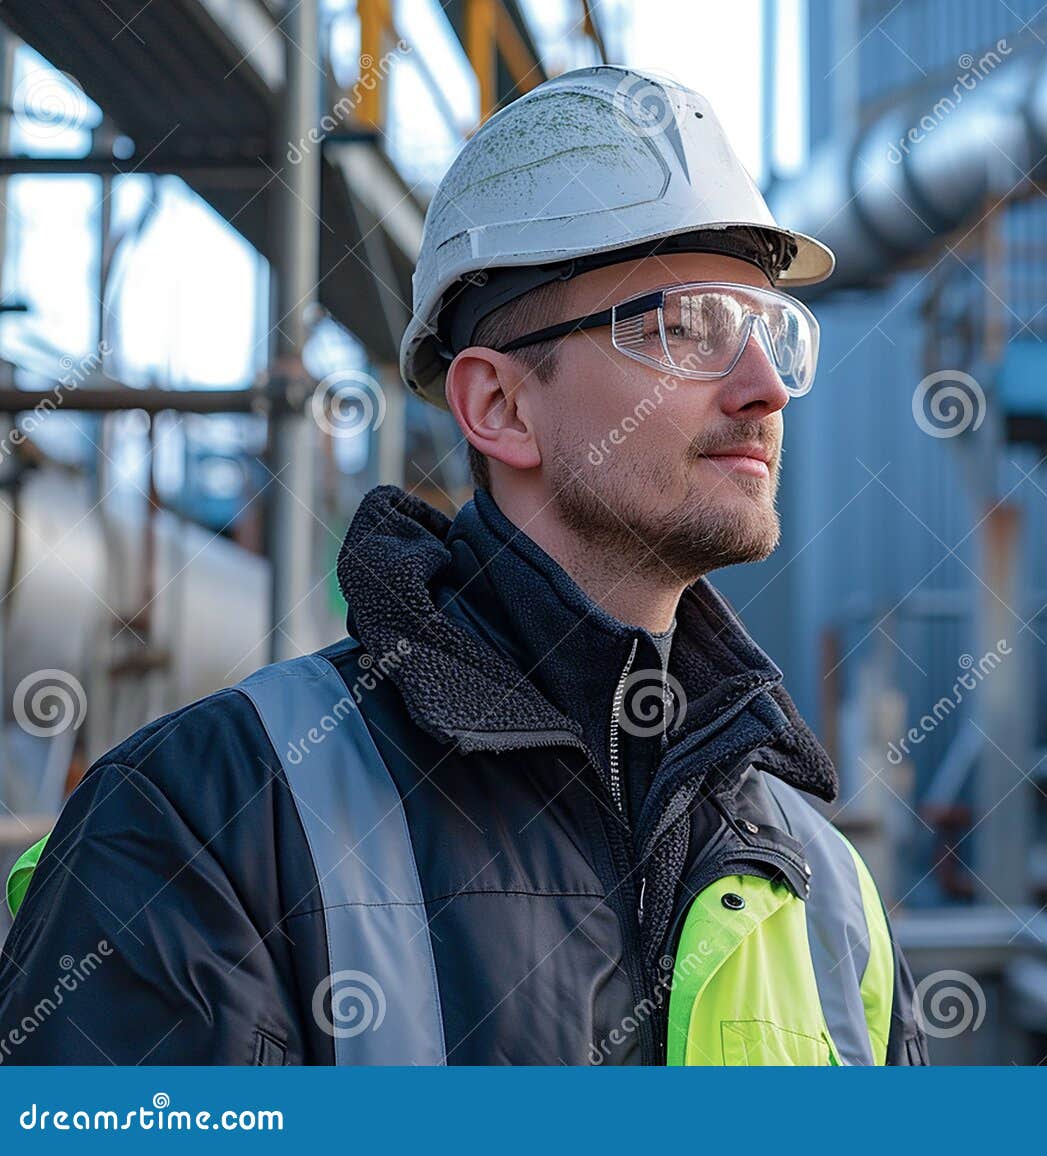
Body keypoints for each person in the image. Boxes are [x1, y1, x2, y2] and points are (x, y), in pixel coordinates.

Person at [0, 65, 929, 1066]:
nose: (762, 388)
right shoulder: (213, 816)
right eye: (681, 324)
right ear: (498, 407)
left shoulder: (824, 887)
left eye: (769, 330)